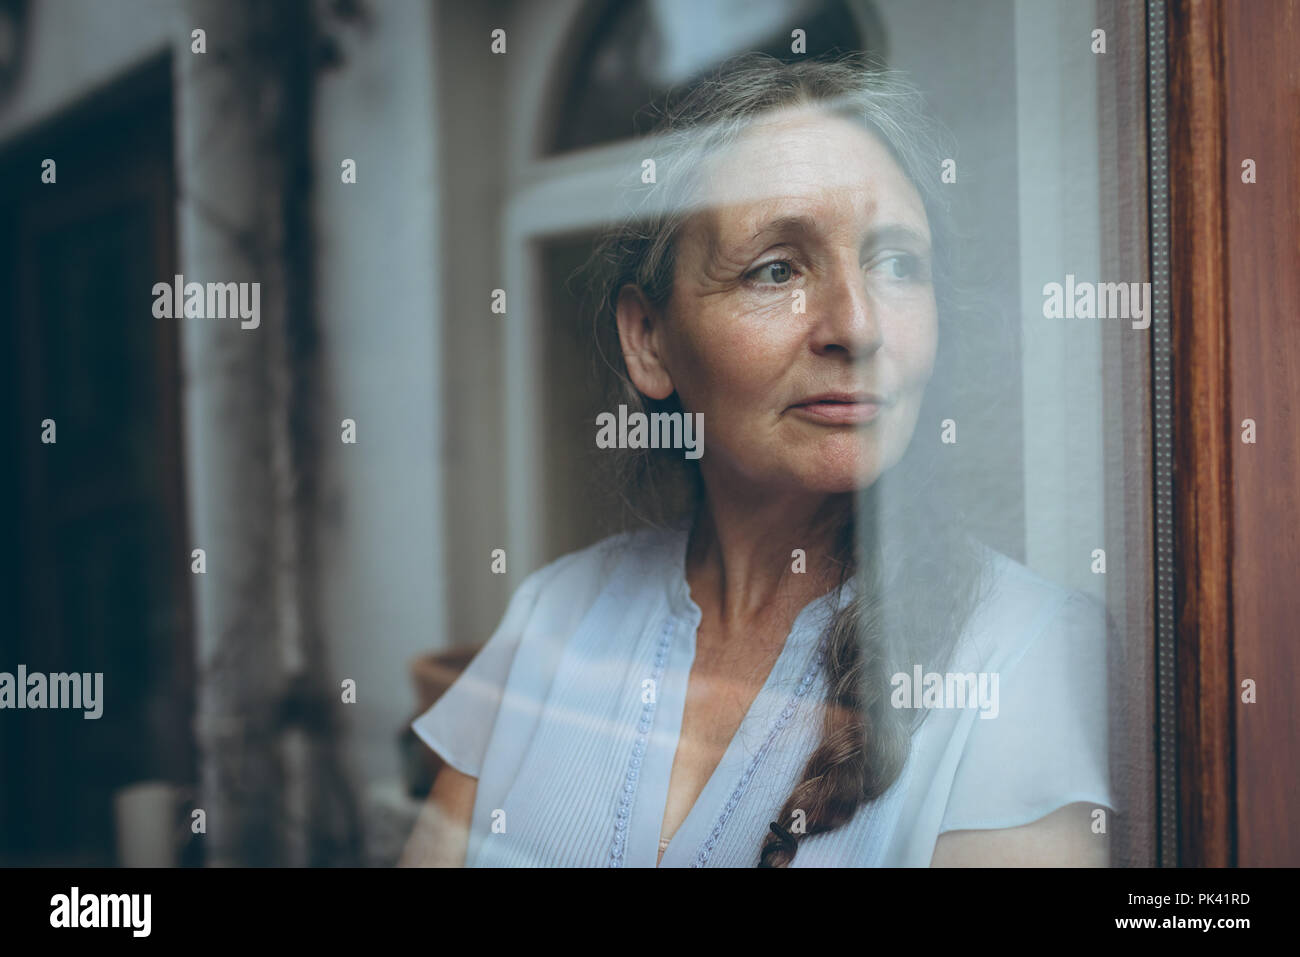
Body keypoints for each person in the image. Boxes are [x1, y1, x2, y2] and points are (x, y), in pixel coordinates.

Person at [400, 54, 1113, 868]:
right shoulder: (555, 616)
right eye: (776, 268)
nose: (856, 324)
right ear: (649, 340)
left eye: (896, 264)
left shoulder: (1025, 656)